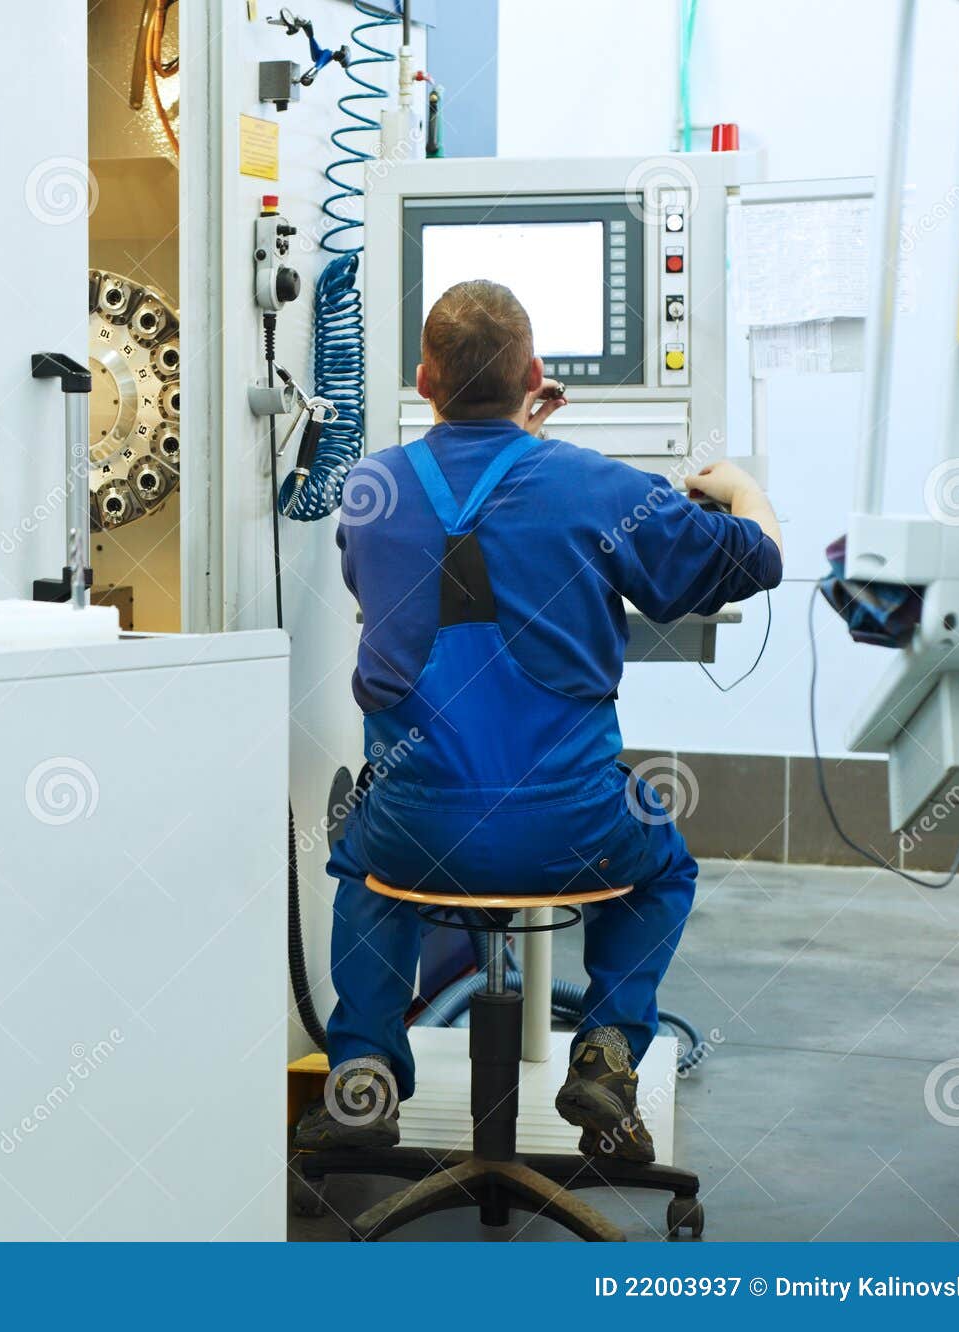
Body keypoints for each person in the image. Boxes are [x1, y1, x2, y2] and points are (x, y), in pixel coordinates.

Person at [293, 279, 782, 1160]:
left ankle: (363, 1075)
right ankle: (606, 1053)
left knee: (364, 860)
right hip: (574, 833)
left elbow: (433, 564)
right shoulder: (595, 486)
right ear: (535, 376)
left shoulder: (369, 488)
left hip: (418, 835)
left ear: (424, 381)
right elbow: (756, 561)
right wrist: (743, 487)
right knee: (664, 864)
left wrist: (518, 446)